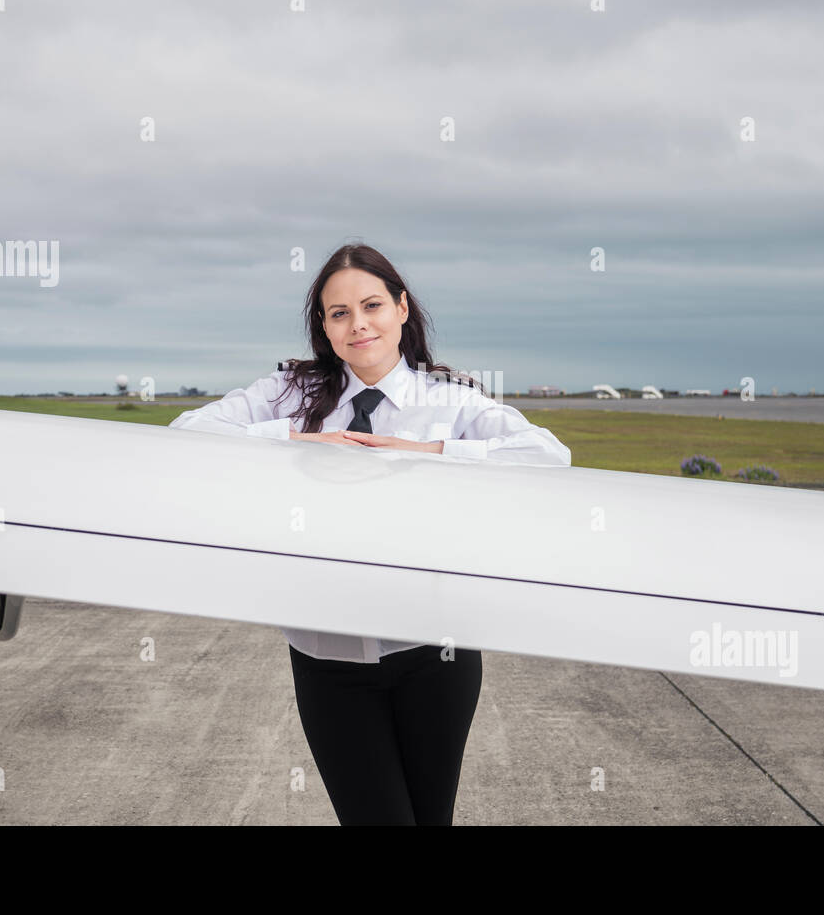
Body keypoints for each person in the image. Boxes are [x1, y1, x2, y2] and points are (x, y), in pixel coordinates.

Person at [168, 242, 571, 824]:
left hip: (437, 652)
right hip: (326, 655)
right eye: (339, 313)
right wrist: (296, 440)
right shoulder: (289, 396)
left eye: (372, 305)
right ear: (324, 328)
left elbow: (547, 456)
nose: (358, 324)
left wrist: (427, 451)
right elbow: (185, 435)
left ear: (402, 309)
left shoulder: (449, 402)